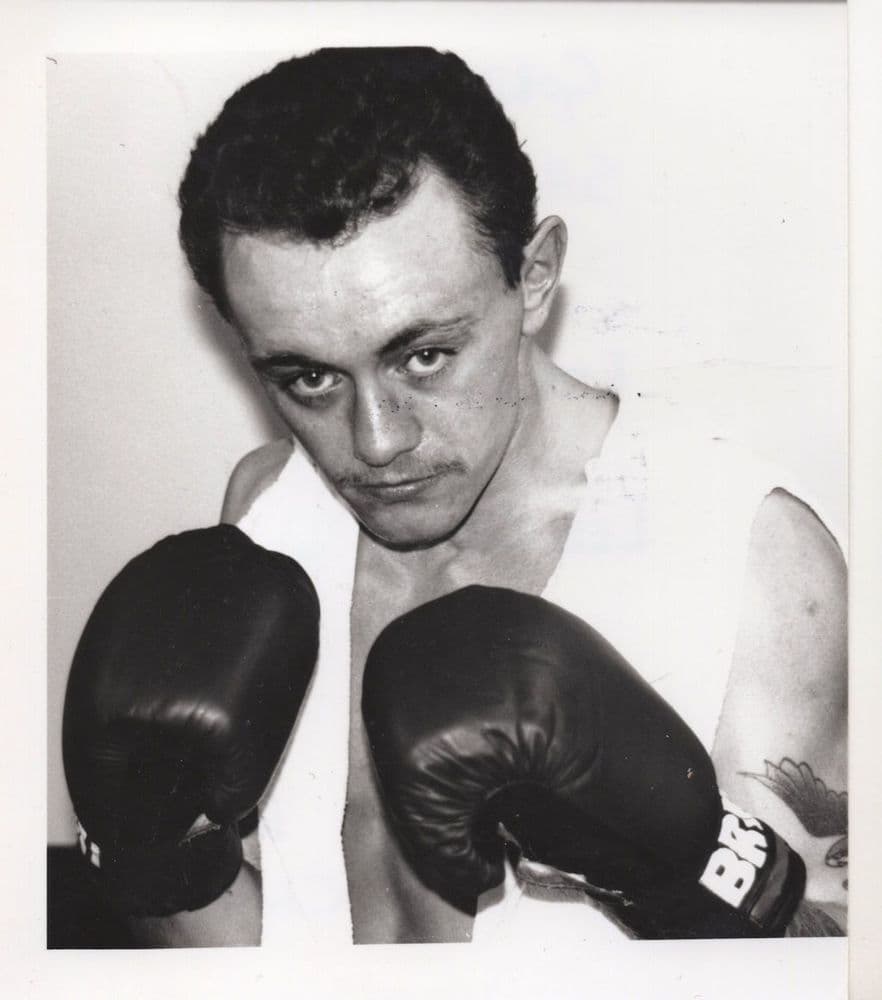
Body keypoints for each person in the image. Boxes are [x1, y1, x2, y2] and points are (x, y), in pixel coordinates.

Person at [65, 47, 847, 947]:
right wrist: (158, 852)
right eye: (308, 378)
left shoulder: (747, 558)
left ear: (537, 273)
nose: (377, 442)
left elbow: (837, 949)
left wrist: (681, 870)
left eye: (424, 354)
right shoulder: (271, 511)